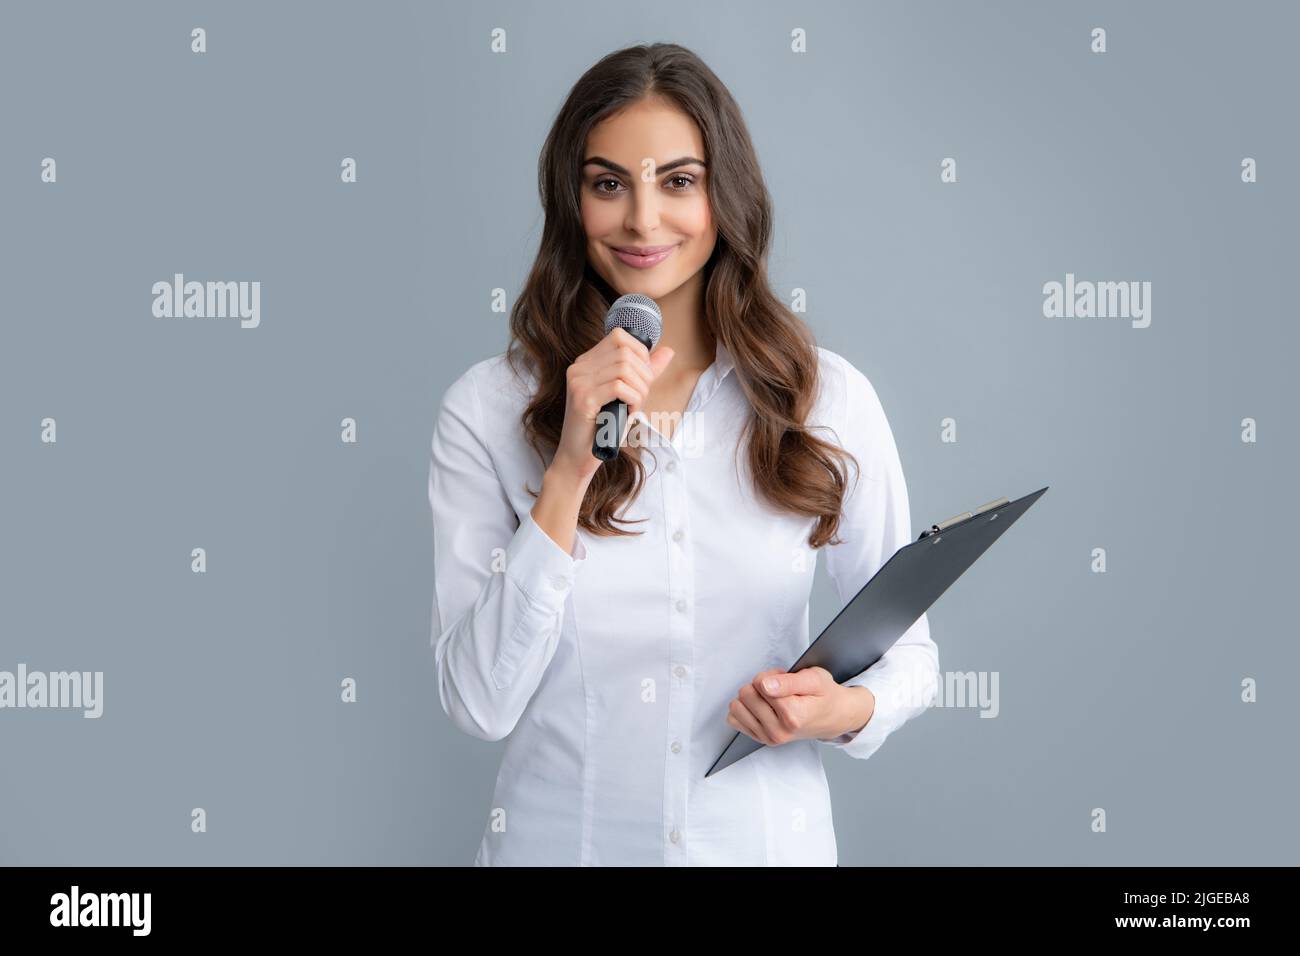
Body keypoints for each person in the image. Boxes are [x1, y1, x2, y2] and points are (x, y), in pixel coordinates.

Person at [428, 42, 938, 866]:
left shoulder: (826, 400)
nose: (641, 220)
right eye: (607, 184)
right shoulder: (485, 412)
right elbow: (479, 701)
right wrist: (568, 470)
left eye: (677, 181)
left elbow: (912, 658)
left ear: (723, 194)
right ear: (573, 201)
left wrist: (833, 710)